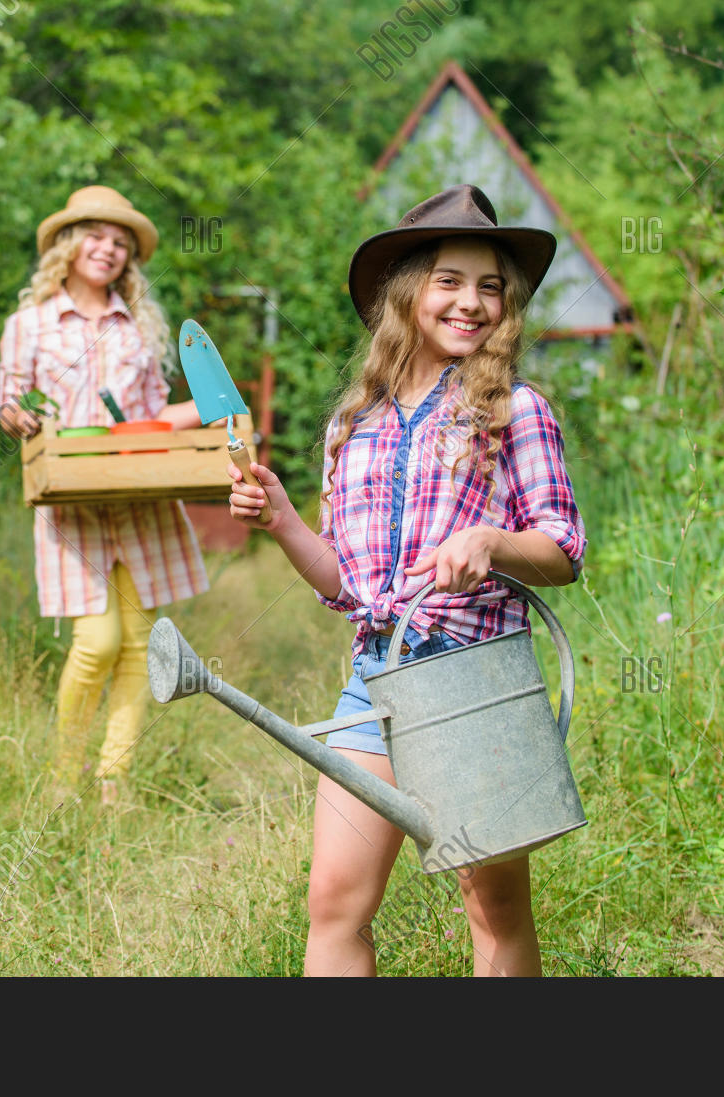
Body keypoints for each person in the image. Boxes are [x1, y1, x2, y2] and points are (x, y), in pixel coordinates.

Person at [227, 185, 586, 976]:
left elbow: (562, 552)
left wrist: (491, 541)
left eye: (490, 286)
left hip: (476, 680)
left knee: (492, 908)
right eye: (449, 281)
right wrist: (283, 521)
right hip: (375, 679)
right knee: (334, 902)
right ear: (407, 292)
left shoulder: (517, 410)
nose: (472, 302)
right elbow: (345, 585)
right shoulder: (353, 426)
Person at [0, 185, 208, 806]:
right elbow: (10, 397)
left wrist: (210, 407)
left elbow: (149, 416)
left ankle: (114, 781)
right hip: (73, 500)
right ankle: (64, 780)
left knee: (140, 645)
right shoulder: (30, 324)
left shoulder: (137, 325)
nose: (108, 249)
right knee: (97, 643)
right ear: (68, 245)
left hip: (139, 498)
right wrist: (16, 416)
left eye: (120, 243)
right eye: (96, 236)